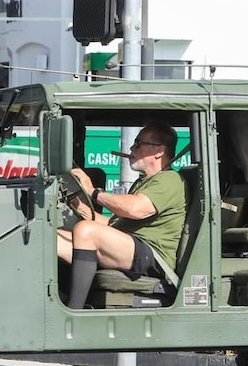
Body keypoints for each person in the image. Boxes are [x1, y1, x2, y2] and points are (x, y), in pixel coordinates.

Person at [57, 121, 186, 309]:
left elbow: (134, 209)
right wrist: (78, 203)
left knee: (86, 231)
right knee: (54, 238)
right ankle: (58, 299)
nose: (132, 148)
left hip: (153, 256)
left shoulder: (170, 180)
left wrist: (93, 192)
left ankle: (73, 311)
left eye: (139, 143)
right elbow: (113, 223)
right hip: (132, 246)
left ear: (159, 151)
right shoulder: (144, 182)